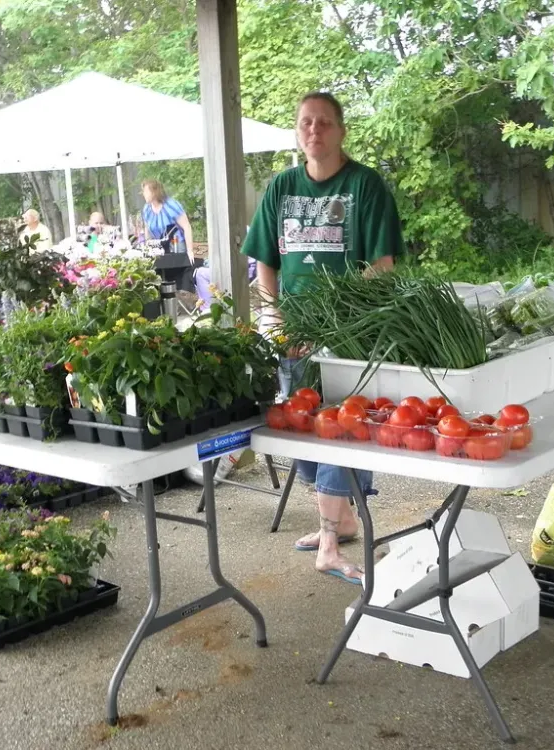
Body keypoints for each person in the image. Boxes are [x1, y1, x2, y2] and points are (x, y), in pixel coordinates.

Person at [241, 91, 405, 585]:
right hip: (294, 333)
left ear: (341, 130)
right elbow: (265, 260)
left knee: (342, 429)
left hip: (350, 337)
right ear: (298, 131)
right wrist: (275, 317)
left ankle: (330, 546)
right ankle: (345, 520)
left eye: (324, 123)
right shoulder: (282, 186)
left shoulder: (365, 185)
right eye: (306, 123)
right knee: (304, 431)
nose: (314, 130)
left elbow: (382, 267)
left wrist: (340, 327)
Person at [141, 180, 194, 265]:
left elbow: (186, 227)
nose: (143, 194)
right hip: (159, 249)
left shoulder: (171, 205)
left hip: (176, 246)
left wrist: (190, 251)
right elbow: (147, 229)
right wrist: (147, 248)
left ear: (154, 192)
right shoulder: (146, 209)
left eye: (146, 191)